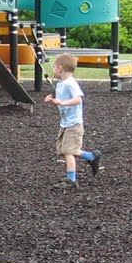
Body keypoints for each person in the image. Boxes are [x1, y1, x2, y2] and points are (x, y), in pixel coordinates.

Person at [42, 53, 104, 187]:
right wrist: (52, 100)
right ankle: (92, 157)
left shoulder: (71, 83)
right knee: (65, 149)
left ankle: (71, 180)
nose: (53, 70)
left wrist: (62, 103)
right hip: (66, 123)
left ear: (59, 68)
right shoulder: (61, 84)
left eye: (54, 67)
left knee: (68, 151)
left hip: (74, 124)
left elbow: (78, 99)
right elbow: (61, 99)